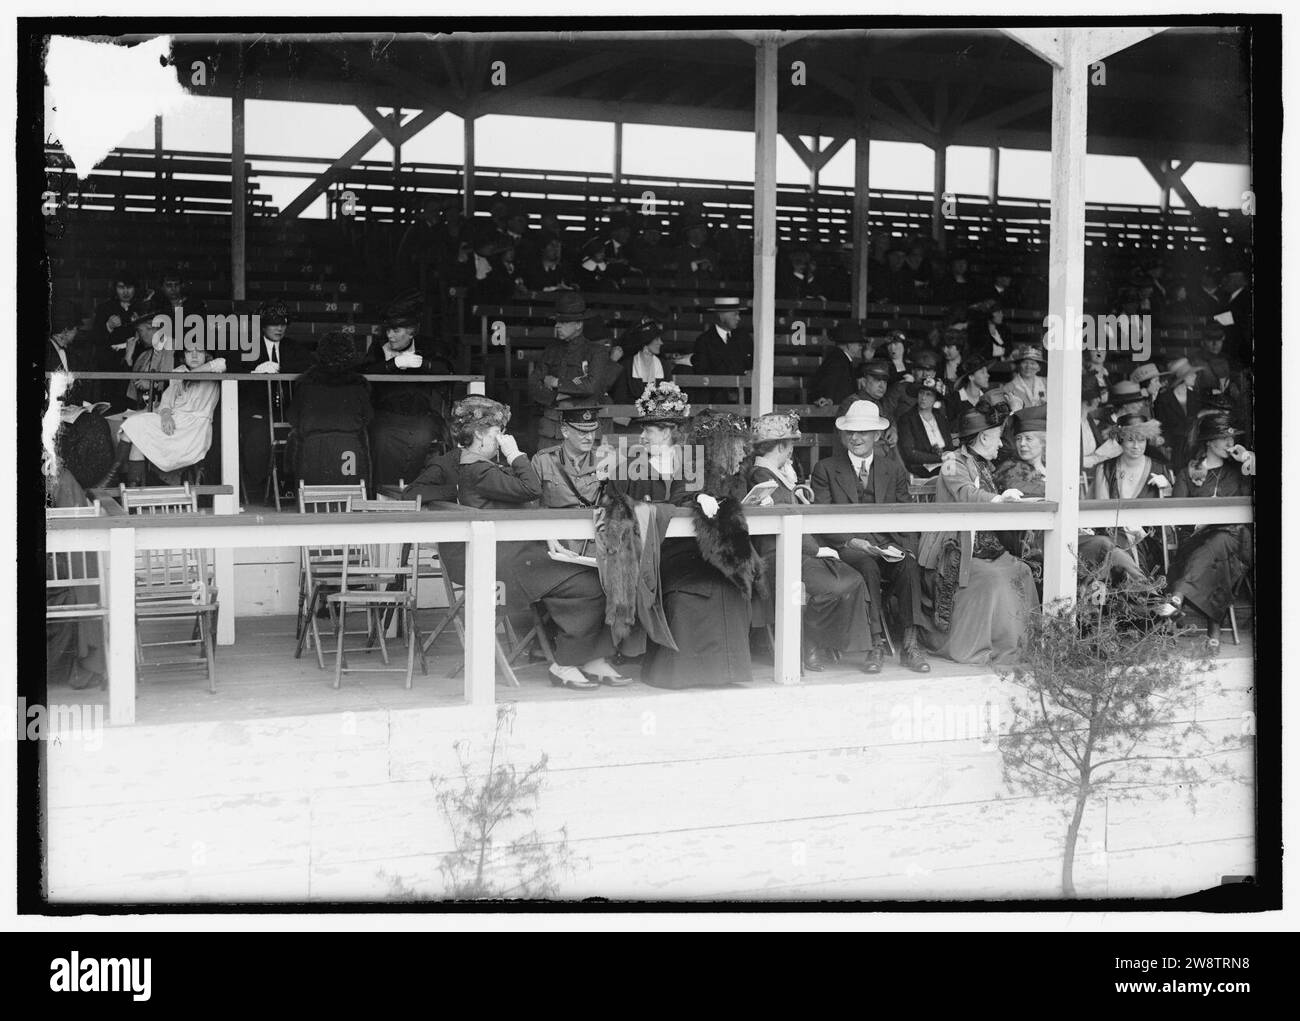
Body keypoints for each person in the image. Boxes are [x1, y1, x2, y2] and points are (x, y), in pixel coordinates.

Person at [450, 396, 622, 690]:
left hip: (510, 555)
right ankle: (565, 664)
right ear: (479, 434)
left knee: (599, 576)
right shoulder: (479, 470)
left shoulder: (479, 467)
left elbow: (518, 503)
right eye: (496, 433)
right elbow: (530, 489)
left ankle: (592, 658)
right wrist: (516, 454)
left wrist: (546, 534)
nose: (501, 439)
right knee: (593, 584)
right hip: (506, 564)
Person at [617, 398, 763, 689]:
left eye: (651, 430)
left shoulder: (694, 462)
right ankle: (678, 673)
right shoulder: (626, 467)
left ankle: (726, 672)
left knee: (725, 584)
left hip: (694, 550)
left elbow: (707, 500)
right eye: (642, 430)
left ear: (669, 431)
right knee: (685, 591)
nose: (643, 437)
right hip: (654, 554)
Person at [745, 412, 874, 673]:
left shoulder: (776, 473)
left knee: (852, 578)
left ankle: (819, 641)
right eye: (791, 444)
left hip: (797, 551)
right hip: (778, 555)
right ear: (781, 446)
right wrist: (819, 549)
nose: (792, 450)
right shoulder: (762, 475)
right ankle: (810, 641)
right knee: (836, 585)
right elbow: (782, 517)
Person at [810, 400, 931, 673]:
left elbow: (905, 515)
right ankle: (875, 644)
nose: (855, 438)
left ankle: (910, 645)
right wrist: (850, 541)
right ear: (842, 435)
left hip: (886, 543)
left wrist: (908, 547)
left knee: (909, 565)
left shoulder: (894, 468)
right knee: (867, 565)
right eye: (850, 432)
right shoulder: (826, 468)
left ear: (876, 436)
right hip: (847, 544)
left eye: (863, 432)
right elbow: (820, 518)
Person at [916, 409, 1039, 665]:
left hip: (981, 544)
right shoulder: (952, 461)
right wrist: (997, 498)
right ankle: (980, 647)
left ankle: (1019, 646)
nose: (1002, 444)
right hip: (952, 546)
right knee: (992, 577)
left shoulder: (984, 464)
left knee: (1022, 571)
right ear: (983, 438)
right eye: (997, 438)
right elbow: (964, 492)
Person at [1154, 413, 1254, 655]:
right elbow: (1175, 512)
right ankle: (1214, 634)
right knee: (1215, 554)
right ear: (1209, 442)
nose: (1230, 444)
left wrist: (1249, 459)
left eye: (1231, 438)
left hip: (1237, 538)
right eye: (1223, 438)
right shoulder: (1190, 472)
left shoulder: (1240, 470)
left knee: (1219, 542)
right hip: (1201, 540)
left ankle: (1178, 596)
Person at [364, 293, 453, 486]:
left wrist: (423, 364)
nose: (390, 335)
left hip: (420, 415)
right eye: (388, 330)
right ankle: (383, 495)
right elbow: (366, 372)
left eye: (396, 331)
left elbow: (446, 370)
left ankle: (411, 493)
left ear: (411, 331)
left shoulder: (429, 347)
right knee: (380, 438)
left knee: (421, 437)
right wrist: (393, 364)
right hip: (386, 415)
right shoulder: (379, 349)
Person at [115, 346, 226, 486]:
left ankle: (115, 481)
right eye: (189, 352)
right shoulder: (178, 373)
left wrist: (189, 375)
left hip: (193, 432)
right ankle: (129, 488)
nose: (194, 355)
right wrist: (166, 416)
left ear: (207, 355)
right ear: (184, 356)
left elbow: (221, 363)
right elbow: (166, 401)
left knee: (135, 430)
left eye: (199, 352)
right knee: (134, 431)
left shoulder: (213, 372)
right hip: (173, 423)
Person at [240, 300, 311, 501]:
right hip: (257, 411)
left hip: (289, 411)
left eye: (283, 323)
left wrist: (283, 370)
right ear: (262, 325)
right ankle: (262, 489)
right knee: (257, 436)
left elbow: (308, 369)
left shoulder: (294, 348)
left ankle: (292, 487)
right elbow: (236, 374)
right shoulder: (248, 347)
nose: (280, 328)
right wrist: (255, 372)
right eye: (274, 323)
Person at [1091, 412, 1175, 579]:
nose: (1136, 446)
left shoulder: (1160, 469)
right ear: (1121, 440)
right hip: (1113, 531)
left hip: (1150, 535)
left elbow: (1171, 511)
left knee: (1137, 547)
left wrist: (1166, 489)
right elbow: (1102, 511)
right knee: (1119, 546)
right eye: (1130, 440)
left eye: (1141, 440)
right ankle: (1142, 595)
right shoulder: (1105, 469)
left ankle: (1139, 595)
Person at [528, 291, 617, 446]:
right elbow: (533, 383)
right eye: (557, 321)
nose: (557, 325)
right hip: (553, 429)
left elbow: (591, 386)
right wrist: (557, 397)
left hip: (585, 428)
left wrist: (557, 383)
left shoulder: (596, 351)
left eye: (563, 322)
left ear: (578, 324)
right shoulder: (551, 350)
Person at [286, 331, 373, 487]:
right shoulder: (359, 384)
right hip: (348, 449)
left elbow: (293, 417)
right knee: (349, 498)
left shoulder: (305, 382)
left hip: (313, 449)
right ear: (351, 354)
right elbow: (368, 417)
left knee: (313, 502)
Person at [691, 297, 753, 404]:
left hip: (742, 397)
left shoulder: (744, 338)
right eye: (735, 314)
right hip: (715, 399)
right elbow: (702, 372)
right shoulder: (704, 341)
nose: (738, 318)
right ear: (721, 316)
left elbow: (750, 365)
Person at [896, 377, 957, 478]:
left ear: (935, 398)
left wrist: (948, 458)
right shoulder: (907, 419)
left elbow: (949, 447)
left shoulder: (941, 418)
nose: (923, 398)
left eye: (928, 394)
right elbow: (909, 454)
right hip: (920, 469)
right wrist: (940, 458)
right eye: (921, 393)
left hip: (945, 468)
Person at [610, 319, 673, 403]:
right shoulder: (627, 366)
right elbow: (620, 398)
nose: (661, 342)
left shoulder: (664, 365)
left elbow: (669, 396)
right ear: (646, 343)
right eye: (657, 339)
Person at [810, 321, 868, 406]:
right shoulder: (838, 360)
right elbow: (830, 380)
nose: (860, 347)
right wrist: (828, 397)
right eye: (859, 343)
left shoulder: (840, 358)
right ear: (849, 344)